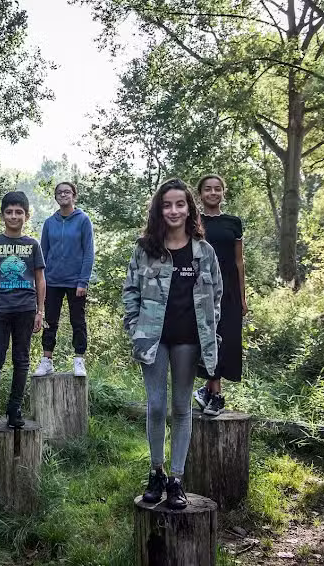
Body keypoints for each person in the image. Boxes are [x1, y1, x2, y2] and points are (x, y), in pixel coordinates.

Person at [122, 178, 222, 510]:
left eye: (180, 204)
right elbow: (130, 292)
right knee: (156, 406)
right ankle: (156, 472)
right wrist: (134, 326)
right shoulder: (144, 248)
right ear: (159, 209)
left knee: (181, 407)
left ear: (189, 209)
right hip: (153, 339)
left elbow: (216, 295)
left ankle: (176, 480)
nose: (174, 210)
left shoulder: (203, 252)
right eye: (167, 204)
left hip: (189, 340)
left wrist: (209, 328)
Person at [0, 191, 46, 429]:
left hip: (25, 309)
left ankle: (14, 410)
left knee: (21, 360)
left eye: (19, 212)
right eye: (9, 212)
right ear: (2, 215)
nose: (13, 216)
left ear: (26, 215)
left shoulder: (32, 245)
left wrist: (40, 311)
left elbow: (40, 279)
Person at [193, 174, 246, 416]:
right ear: (200, 194)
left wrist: (243, 298)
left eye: (217, 189)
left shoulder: (234, 222)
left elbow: (239, 261)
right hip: (203, 288)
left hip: (230, 289)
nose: (213, 193)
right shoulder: (193, 221)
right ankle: (214, 396)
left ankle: (209, 392)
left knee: (228, 339)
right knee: (209, 338)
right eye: (207, 189)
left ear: (223, 193)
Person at [34, 181, 94, 378]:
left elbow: (88, 253)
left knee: (78, 321)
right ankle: (46, 360)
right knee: (50, 320)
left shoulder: (83, 220)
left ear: (74, 196)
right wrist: (41, 280)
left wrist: (83, 281)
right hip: (52, 281)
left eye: (67, 192)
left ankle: (79, 360)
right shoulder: (50, 222)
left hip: (76, 281)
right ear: (56, 197)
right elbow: (43, 254)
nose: (63, 195)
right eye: (59, 192)